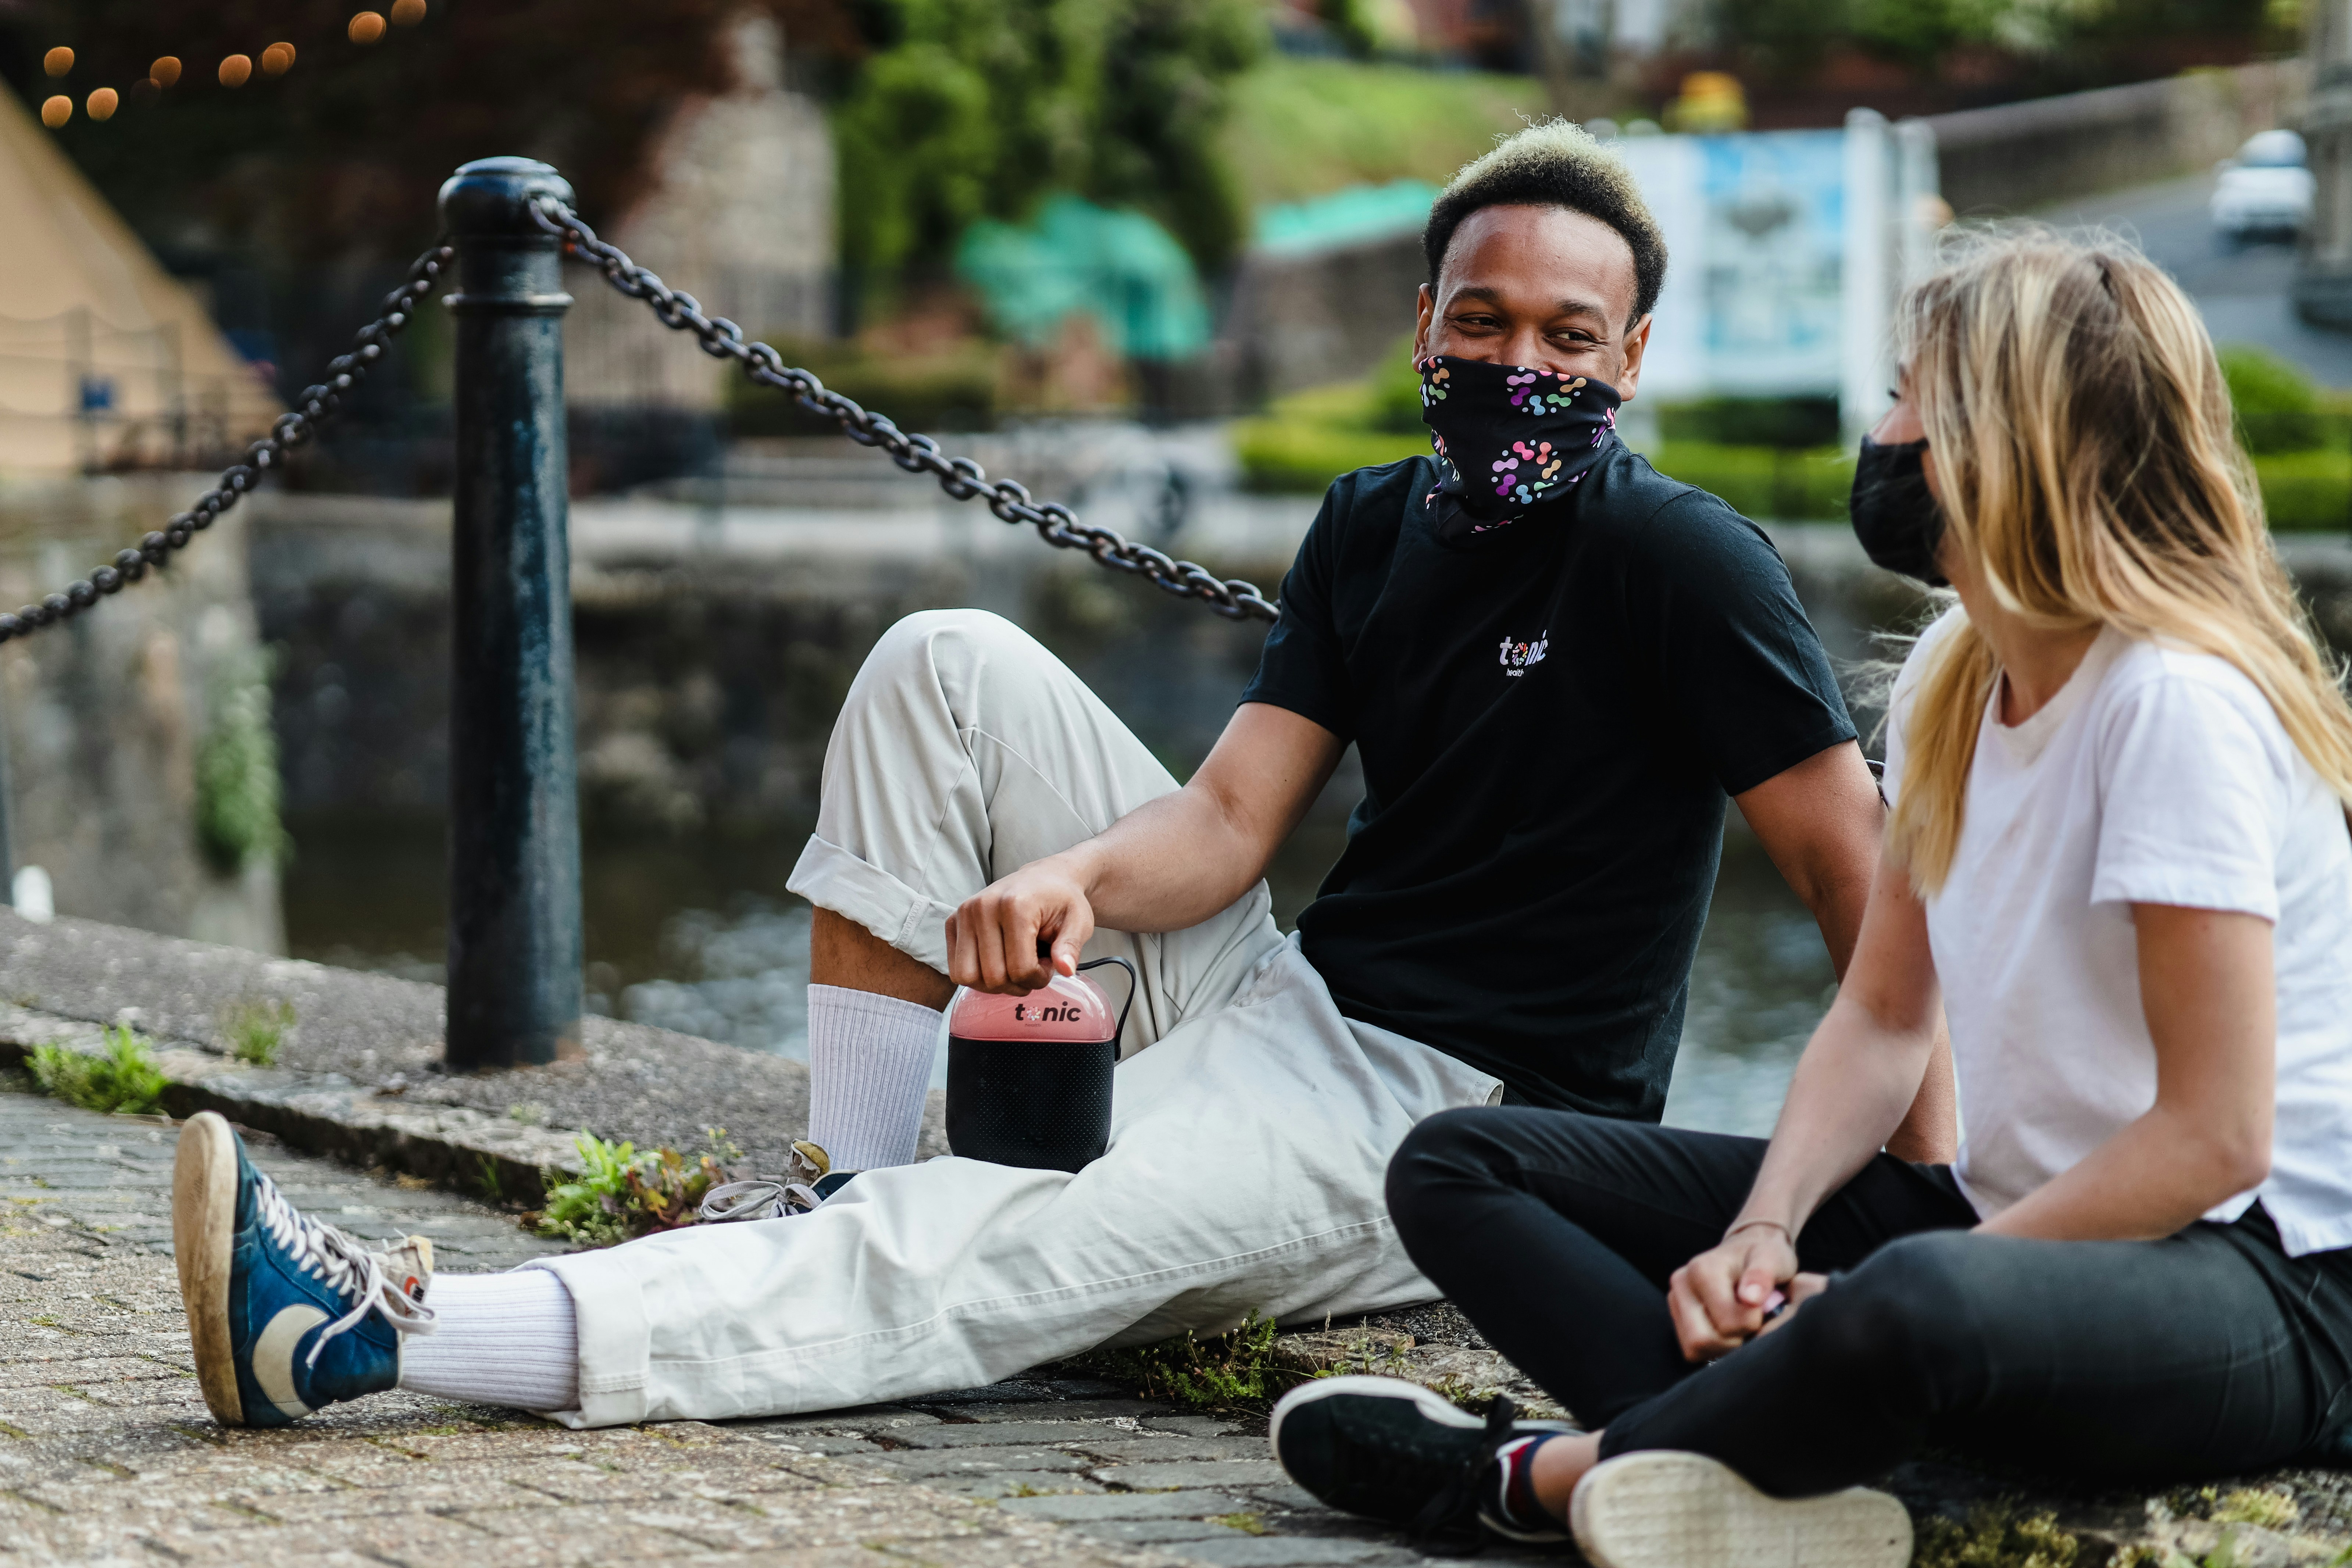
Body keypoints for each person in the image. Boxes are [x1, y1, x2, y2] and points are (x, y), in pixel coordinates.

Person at [166, 121, 1950, 1433]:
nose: (1521, 366)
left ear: (1630, 359)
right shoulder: (1372, 520)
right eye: (1483, 322)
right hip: (1289, 991)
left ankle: (378, 1334)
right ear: (1423, 323)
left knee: (986, 1238)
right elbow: (1233, 817)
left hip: (1456, 1119)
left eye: (1571, 339)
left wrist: (1903, 1218)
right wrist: (1082, 885)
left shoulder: (1681, 563)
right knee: (942, 662)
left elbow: (1870, 910)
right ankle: (845, 1166)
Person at [1267, 228, 2352, 1568]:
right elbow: (1887, 1013)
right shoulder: (1961, 666)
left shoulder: (2172, 704)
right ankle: (1789, 1470)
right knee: (1462, 1160)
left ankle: (1540, 1473)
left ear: (2019, 437)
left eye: (1913, 401)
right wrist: (1767, 1231)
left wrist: (1900, 1286)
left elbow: (2216, 1137)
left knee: (1915, 1296)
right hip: (2009, 1219)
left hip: (2269, 1284)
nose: (1881, 432)